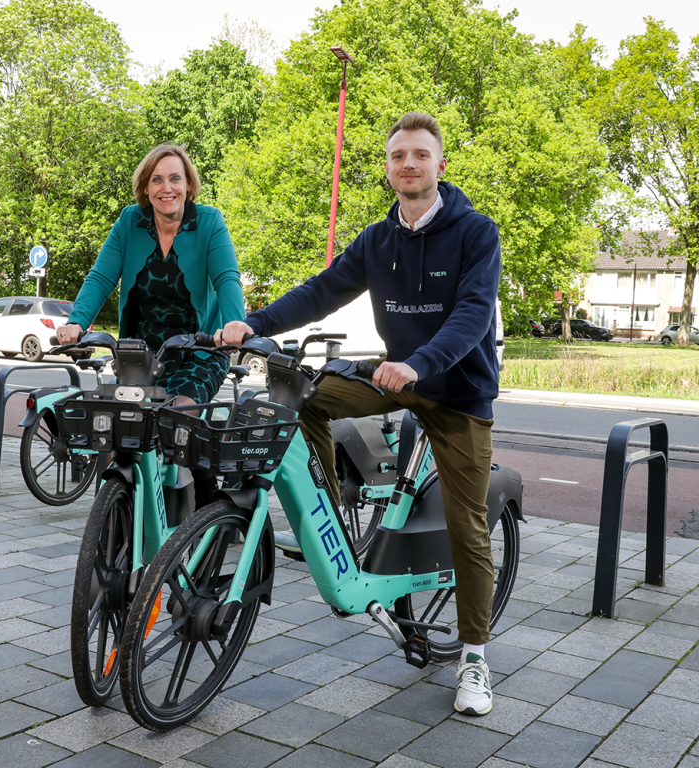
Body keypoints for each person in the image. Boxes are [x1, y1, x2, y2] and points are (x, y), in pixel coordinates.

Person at [219, 112, 501, 717]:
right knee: (303, 398)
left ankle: (475, 657)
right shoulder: (378, 240)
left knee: (468, 526)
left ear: (440, 165)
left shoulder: (476, 232)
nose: (408, 164)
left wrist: (421, 362)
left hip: (456, 393)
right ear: (388, 168)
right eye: (398, 156)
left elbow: (473, 313)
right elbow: (322, 290)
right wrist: (256, 324)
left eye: (420, 155)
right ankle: (333, 526)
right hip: (397, 376)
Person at [57, 144, 245, 502]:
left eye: (175, 178)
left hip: (200, 351)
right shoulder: (130, 222)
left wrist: (234, 326)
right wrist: (77, 322)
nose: (166, 188)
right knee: (117, 429)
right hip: (141, 355)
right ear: (146, 188)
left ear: (189, 184)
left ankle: (211, 503)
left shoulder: (209, 222)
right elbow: (101, 277)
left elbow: (227, 278)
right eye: (156, 180)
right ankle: (116, 514)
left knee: (181, 418)